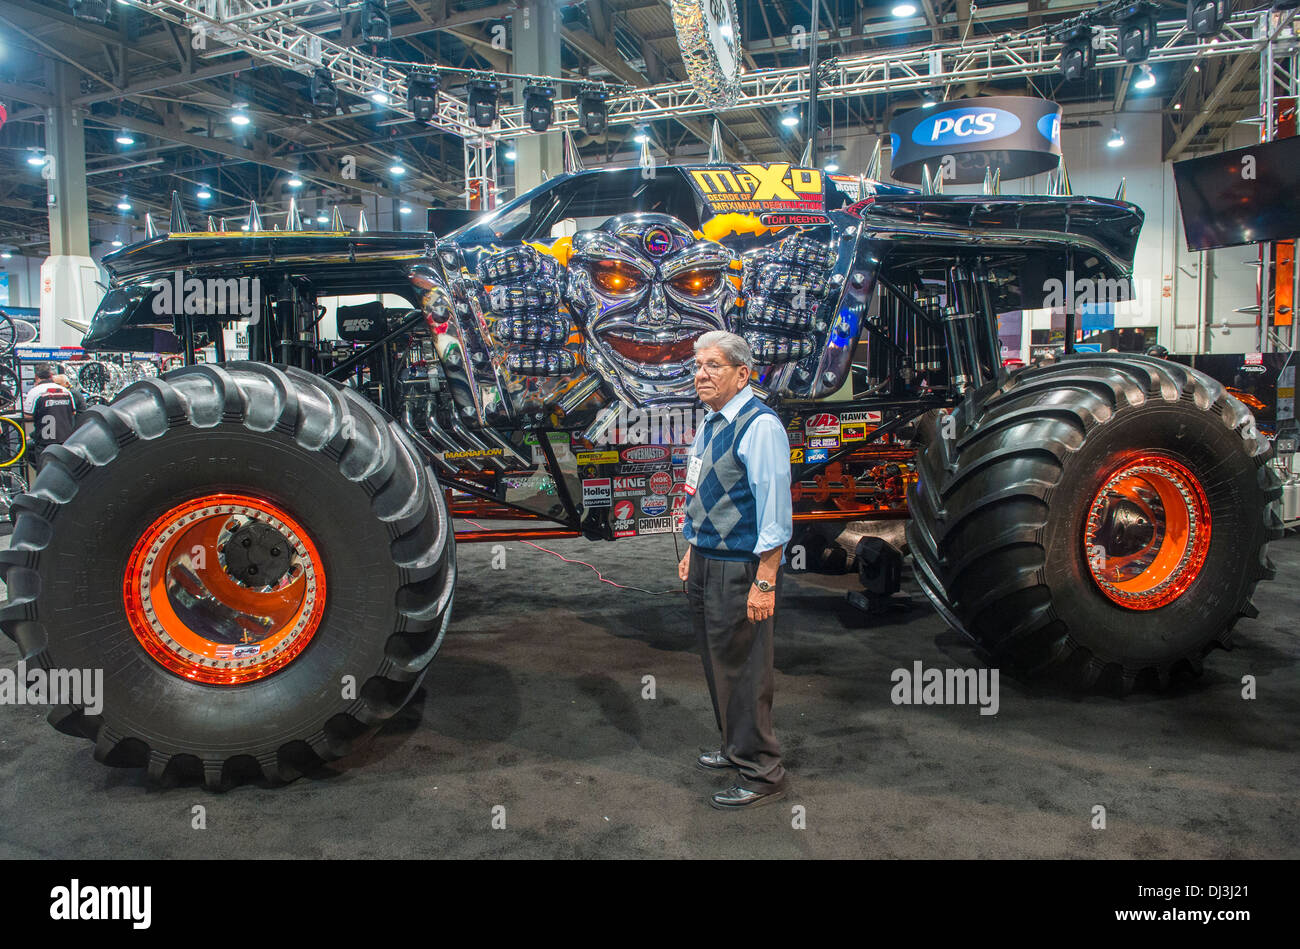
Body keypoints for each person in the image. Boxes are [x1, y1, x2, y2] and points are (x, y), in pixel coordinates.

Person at [677, 330, 793, 810]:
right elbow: (700, 489)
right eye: (697, 365)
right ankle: (735, 746)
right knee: (718, 663)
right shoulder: (711, 422)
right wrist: (691, 548)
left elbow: (775, 514)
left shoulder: (760, 425)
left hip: (740, 569)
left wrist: (765, 581)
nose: (700, 374)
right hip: (706, 561)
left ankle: (763, 771)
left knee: (744, 671)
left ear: (742, 374)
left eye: (713, 366)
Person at [23, 364, 76, 471]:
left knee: (44, 471)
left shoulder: (35, 392)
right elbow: (73, 412)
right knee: (66, 469)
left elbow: (27, 415)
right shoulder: (65, 391)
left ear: (36, 377)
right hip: (66, 438)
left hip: (45, 440)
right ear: (51, 375)